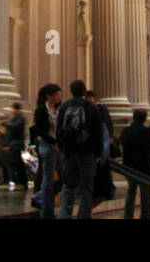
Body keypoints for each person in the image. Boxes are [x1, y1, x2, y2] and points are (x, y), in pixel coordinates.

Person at [56, 79, 102, 219]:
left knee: (68, 186)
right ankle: (83, 216)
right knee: (86, 188)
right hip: (87, 153)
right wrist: (98, 152)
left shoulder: (64, 107)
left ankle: (64, 215)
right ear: (84, 92)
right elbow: (97, 131)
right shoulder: (91, 107)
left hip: (69, 153)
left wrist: (64, 149)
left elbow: (59, 130)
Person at [120, 108, 150, 219]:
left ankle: (128, 215)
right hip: (145, 166)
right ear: (145, 119)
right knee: (146, 195)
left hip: (129, 165)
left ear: (133, 117)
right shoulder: (148, 131)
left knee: (131, 191)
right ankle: (146, 216)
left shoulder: (125, 131)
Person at [32, 83, 61, 219]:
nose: (58, 96)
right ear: (48, 96)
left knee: (64, 178)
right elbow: (39, 130)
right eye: (56, 94)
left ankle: (39, 197)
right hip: (48, 146)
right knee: (48, 179)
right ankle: (48, 212)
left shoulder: (56, 110)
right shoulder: (41, 111)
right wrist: (52, 141)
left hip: (57, 147)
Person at [3, 101, 28, 191]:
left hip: (17, 144)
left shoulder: (20, 118)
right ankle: (19, 181)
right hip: (14, 143)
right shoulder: (16, 118)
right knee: (15, 162)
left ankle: (22, 181)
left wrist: (6, 123)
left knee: (18, 163)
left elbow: (14, 127)